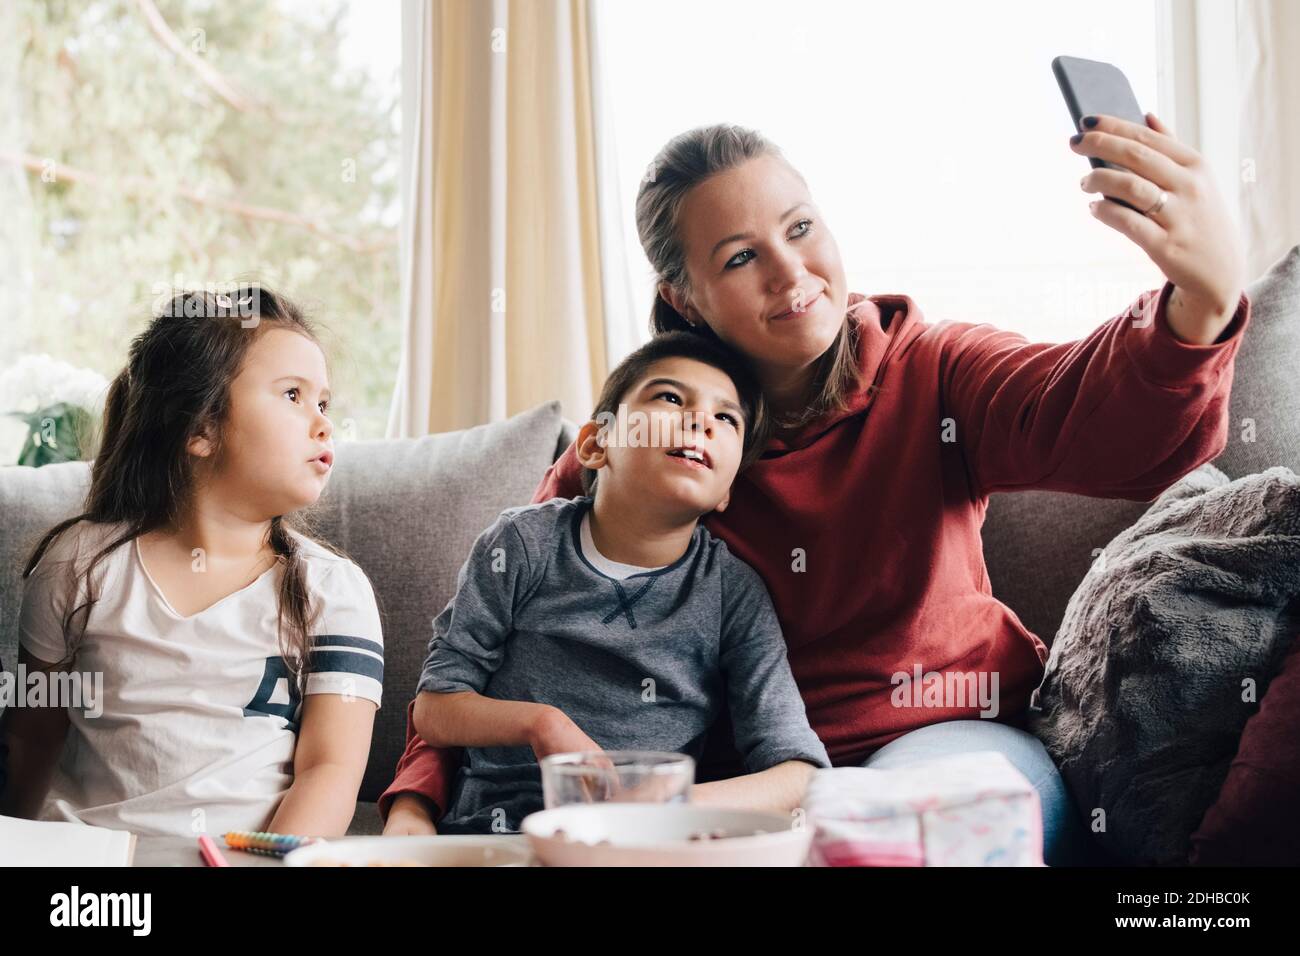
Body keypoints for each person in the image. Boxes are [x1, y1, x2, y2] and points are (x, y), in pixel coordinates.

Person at [383, 115, 1251, 866]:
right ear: (683, 298)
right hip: (741, 779)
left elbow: (1101, 424)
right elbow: (487, 651)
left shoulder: (935, 370)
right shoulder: (650, 443)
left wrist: (1200, 303)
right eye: (740, 257)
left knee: (923, 832)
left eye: (801, 227)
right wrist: (416, 808)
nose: (791, 272)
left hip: (934, 741)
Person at [0, 287, 383, 838]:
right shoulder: (79, 565)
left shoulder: (334, 592)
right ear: (200, 428)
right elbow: (31, 736)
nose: (323, 424)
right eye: (293, 395)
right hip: (89, 866)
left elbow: (330, 771)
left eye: (325, 403)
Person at [411, 332, 830, 833]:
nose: (700, 421)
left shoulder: (732, 593)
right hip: (501, 832)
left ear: (727, 492)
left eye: (726, 418)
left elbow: (797, 774)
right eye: (670, 398)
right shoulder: (522, 544)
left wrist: (661, 804)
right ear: (595, 443)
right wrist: (541, 723)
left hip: (649, 841)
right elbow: (436, 709)